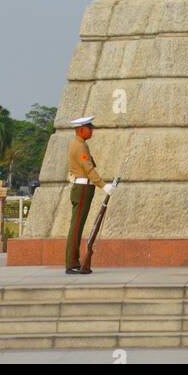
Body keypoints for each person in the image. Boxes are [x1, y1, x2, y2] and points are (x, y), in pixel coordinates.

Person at [65, 115, 114, 275]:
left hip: (83, 188)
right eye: (89, 128)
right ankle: (71, 263)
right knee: (77, 226)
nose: (91, 130)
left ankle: (74, 262)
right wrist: (103, 185)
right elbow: (88, 169)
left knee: (78, 226)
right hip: (82, 188)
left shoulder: (81, 144)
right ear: (81, 130)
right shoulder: (80, 146)